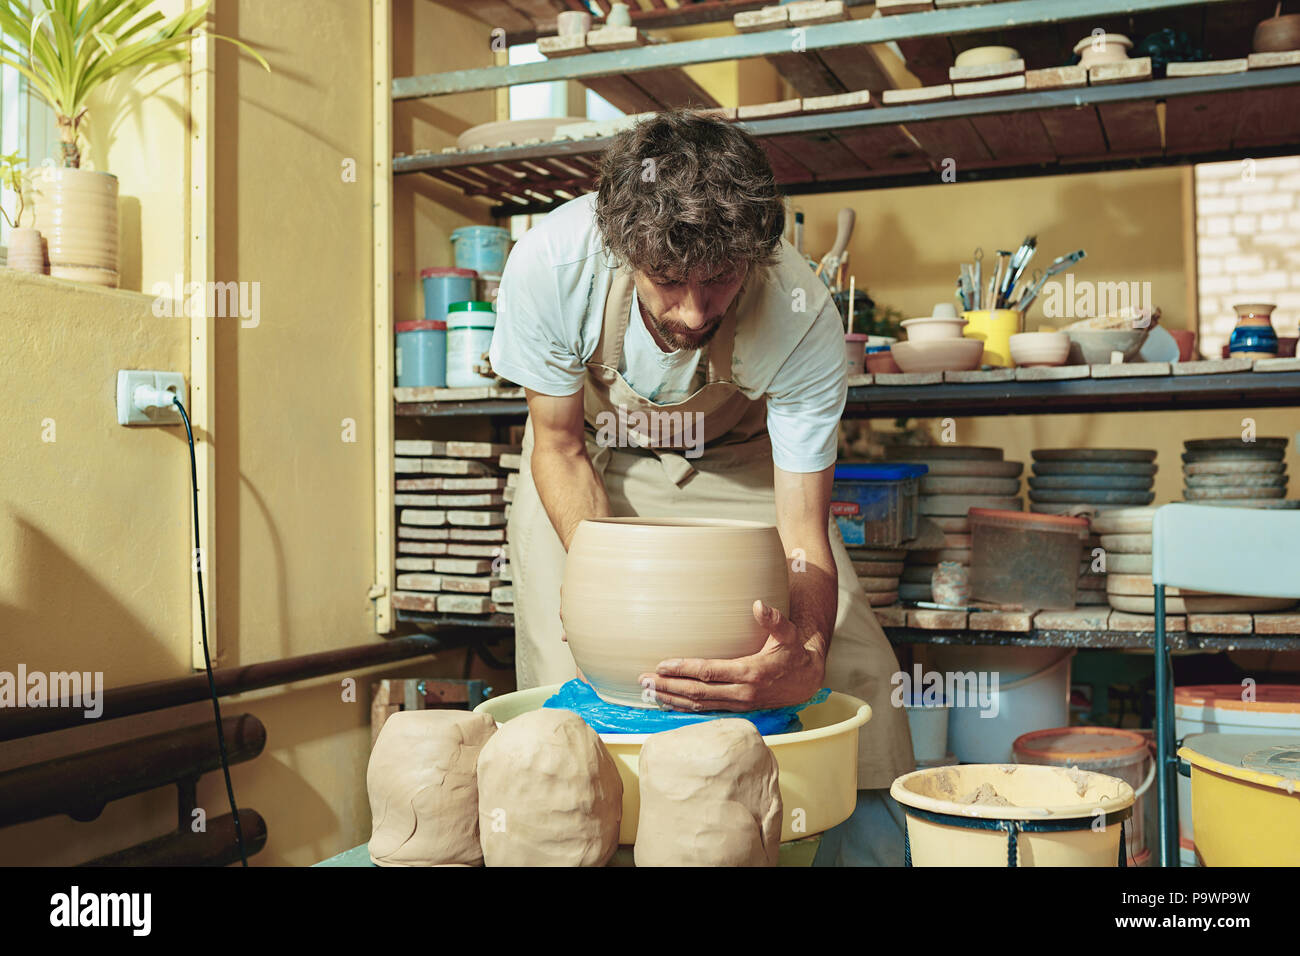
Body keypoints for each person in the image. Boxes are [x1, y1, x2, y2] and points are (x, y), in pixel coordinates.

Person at [488, 109, 914, 865]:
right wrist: (605, 588)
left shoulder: (800, 310)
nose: (692, 311)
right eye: (667, 281)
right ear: (622, 250)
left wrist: (806, 648)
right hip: (595, 456)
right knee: (586, 683)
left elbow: (802, 526)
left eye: (718, 281)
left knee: (854, 669)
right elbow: (556, 445)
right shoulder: (553, 265)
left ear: (754, 256)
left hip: (741, 461)